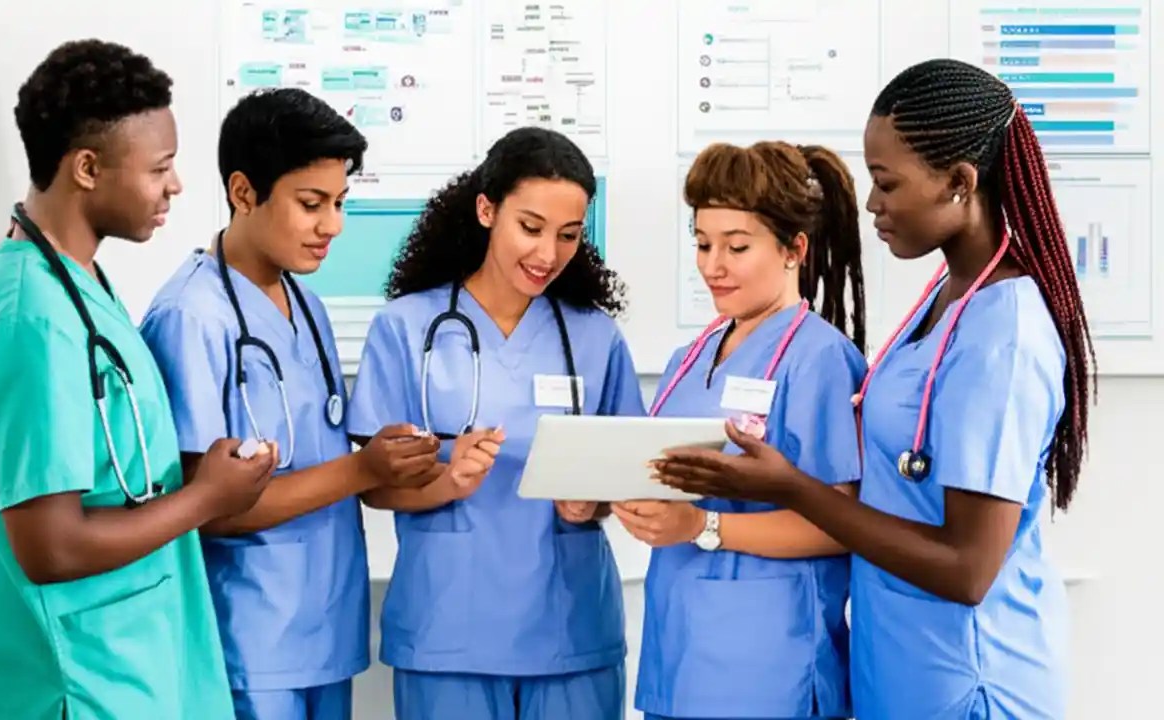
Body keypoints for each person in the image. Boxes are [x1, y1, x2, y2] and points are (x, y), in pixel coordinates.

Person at [654, 58, 1095, 720]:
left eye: (887, 183)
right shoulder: (944, 302)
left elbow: (968, 569)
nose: (870, 205)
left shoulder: (1004, 333)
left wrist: (788, 488)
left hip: (971, 677)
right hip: (900, 667)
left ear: (958, 182)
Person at [138, 87, 500, 720]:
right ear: (243, 192)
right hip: (246, 639)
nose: (332, 225)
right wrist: (365, 470)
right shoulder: (192, 317)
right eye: (311, 204)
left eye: (338, 203)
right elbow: (202, 506)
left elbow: (322, 457)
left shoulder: (305, 305)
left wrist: (415, 456)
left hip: (324, 630)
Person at [0, 40, 274, 720]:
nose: (176, 186)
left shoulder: (78, 285)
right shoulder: (27, 323)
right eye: (160, 168)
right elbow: (50, 546)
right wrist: (207, 496)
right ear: (87, 168)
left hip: (133, 666)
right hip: (79, 684)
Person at [346, 126, 645, 720]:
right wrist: (447, 482)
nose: (547, 254)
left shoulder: (593, 336)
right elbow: (374, 486)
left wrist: (596, 504)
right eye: (530, 228)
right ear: (487, 210)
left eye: (567, 235)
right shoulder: (406, 329)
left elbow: (627, 474)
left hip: (570, 631)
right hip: (448, 629)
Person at [614, 141, 867, 720]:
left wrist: (702, 526)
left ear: (792, 249)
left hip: (770, 665)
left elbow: (840, 523)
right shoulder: (689, 356)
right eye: (703, 244)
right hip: (680, 654)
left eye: (736, 246)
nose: (712, 265)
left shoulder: (820, 359)